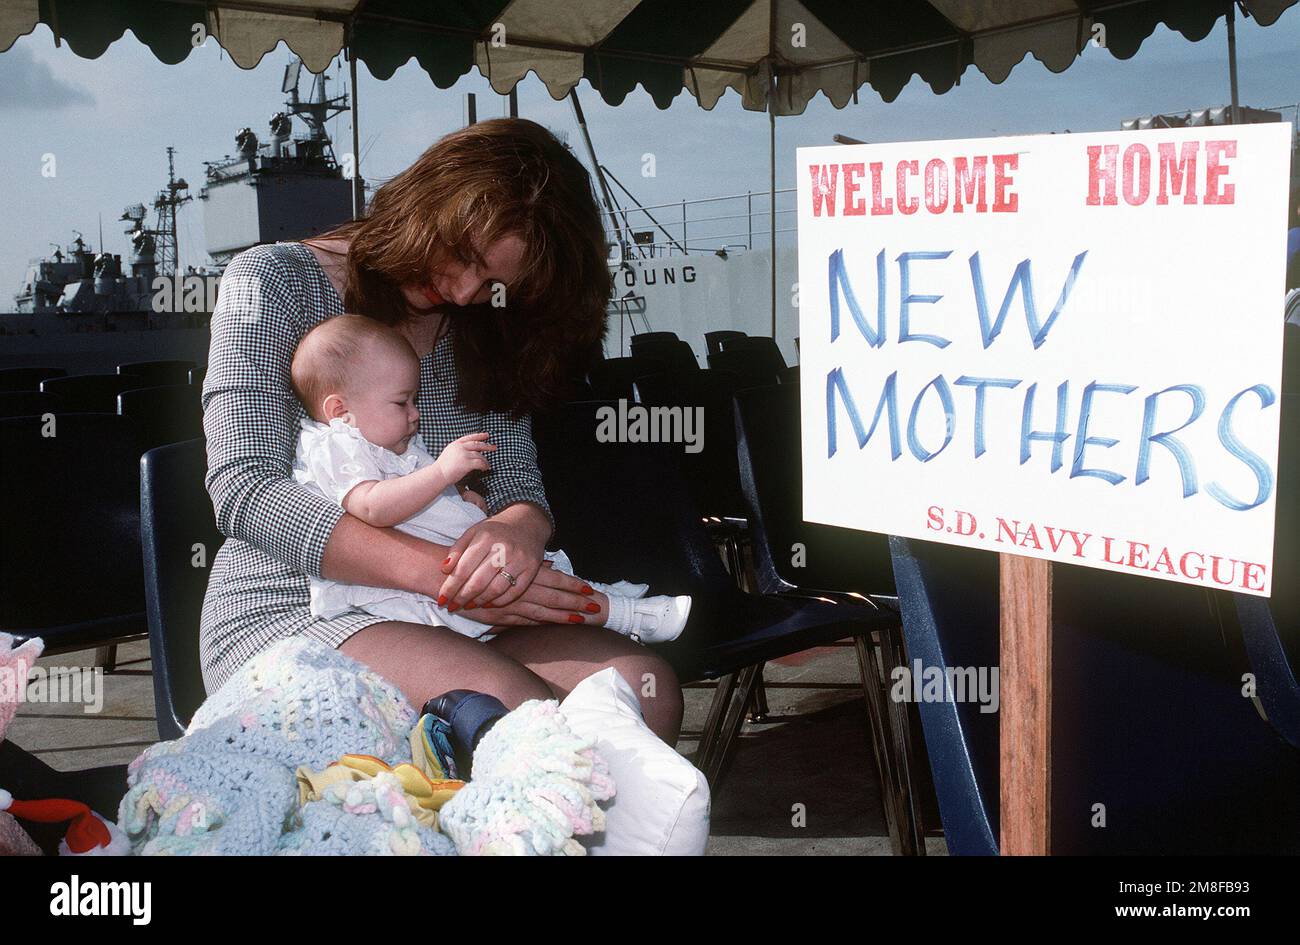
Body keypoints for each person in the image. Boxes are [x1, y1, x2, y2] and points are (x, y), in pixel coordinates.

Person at [198, 118, 684, 743]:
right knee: (527, 725)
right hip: (300, 607)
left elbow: (515, 480)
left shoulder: (485, 326)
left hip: (456, 617)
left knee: (643, 693)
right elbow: (245, 489)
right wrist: (453, 578)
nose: (461, 291)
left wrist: (517, 533)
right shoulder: (274, 281)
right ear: (431, 201)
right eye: (464, 258)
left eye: (494, 286)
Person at [288, 313, 691, 644]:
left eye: (415, 401)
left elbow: (410, 495)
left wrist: (458, 494)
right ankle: (626, 616)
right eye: (401, 402)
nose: (414, 414)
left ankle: (616, 607)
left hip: (441, 570)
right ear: (340, 411)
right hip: (400, 588)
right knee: (528, 597)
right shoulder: (336, 446)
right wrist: (441, 472)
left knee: (533, 587)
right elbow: (373, 506)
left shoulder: (386, 445)